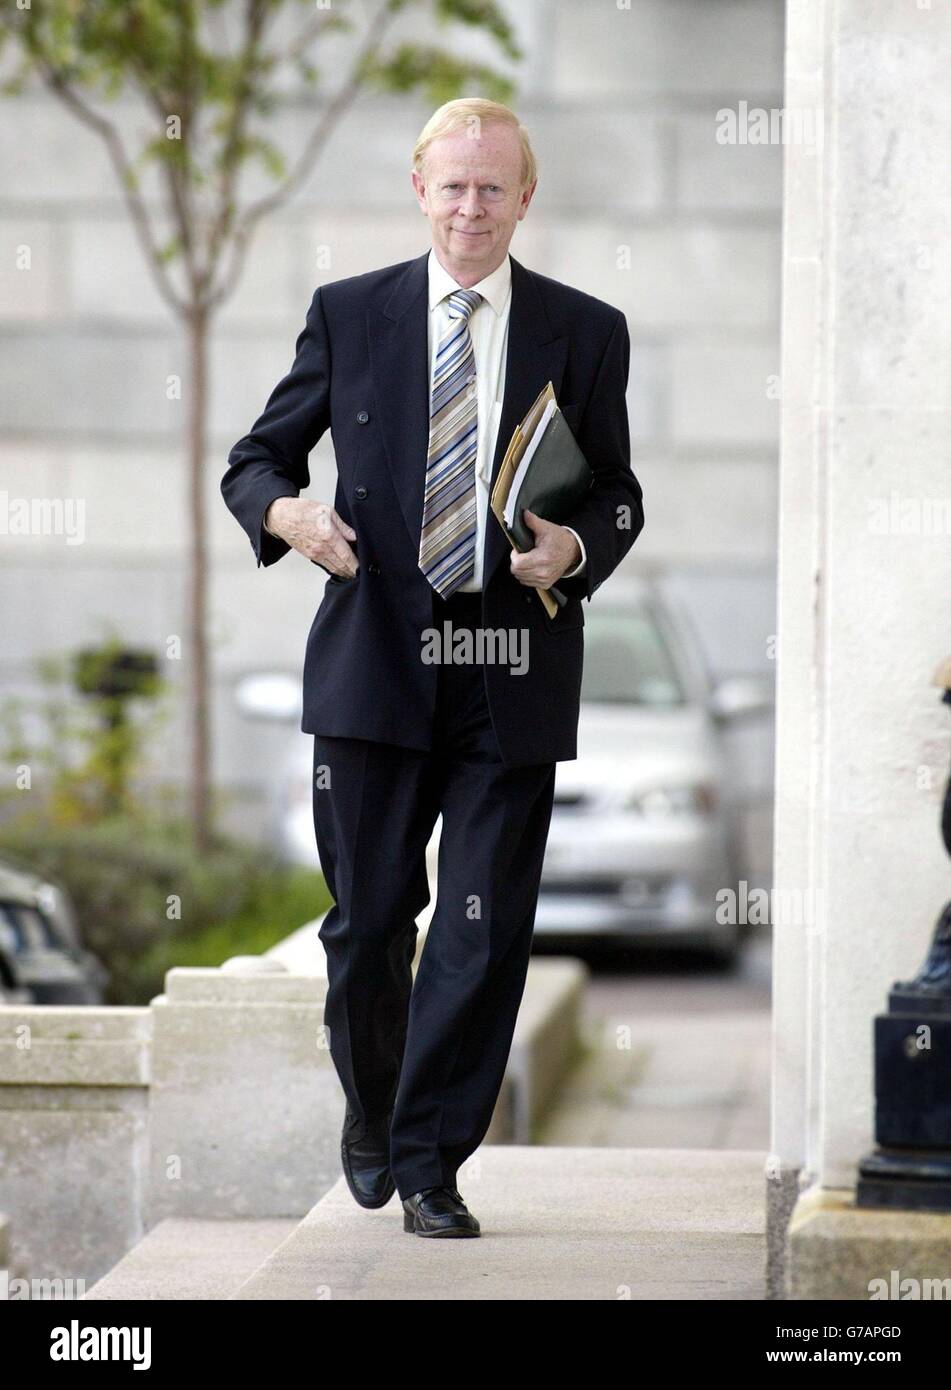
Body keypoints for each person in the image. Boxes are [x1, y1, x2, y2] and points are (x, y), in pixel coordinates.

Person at [221, 97, 644, 1238]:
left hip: (513, 660)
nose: (470, 207)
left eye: (492, 187)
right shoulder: (349, 313)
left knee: (480, 926)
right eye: (451, 186)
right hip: (375, 665)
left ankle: (430, 1162)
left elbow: (615, 490)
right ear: (420, 189)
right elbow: (256, 458)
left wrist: (579, 545)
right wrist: (291, 518)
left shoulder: (585, 329)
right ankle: (373, 1107)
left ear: (524, 198)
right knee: (367, 923)